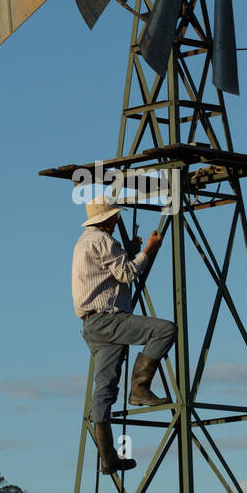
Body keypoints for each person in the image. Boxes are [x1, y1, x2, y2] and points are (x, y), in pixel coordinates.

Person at [72, 196, 175, 474]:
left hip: (92, 325)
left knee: (104, 391)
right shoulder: (102, 240)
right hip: (109, 319)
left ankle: (108, 458)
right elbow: (128, 274)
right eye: (115, 216)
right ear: (107, 219)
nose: (118, 220)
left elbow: (113, 271)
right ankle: (140, 389)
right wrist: (149, 251)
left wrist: (128, 251)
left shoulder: (86, 241)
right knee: (165, 329)